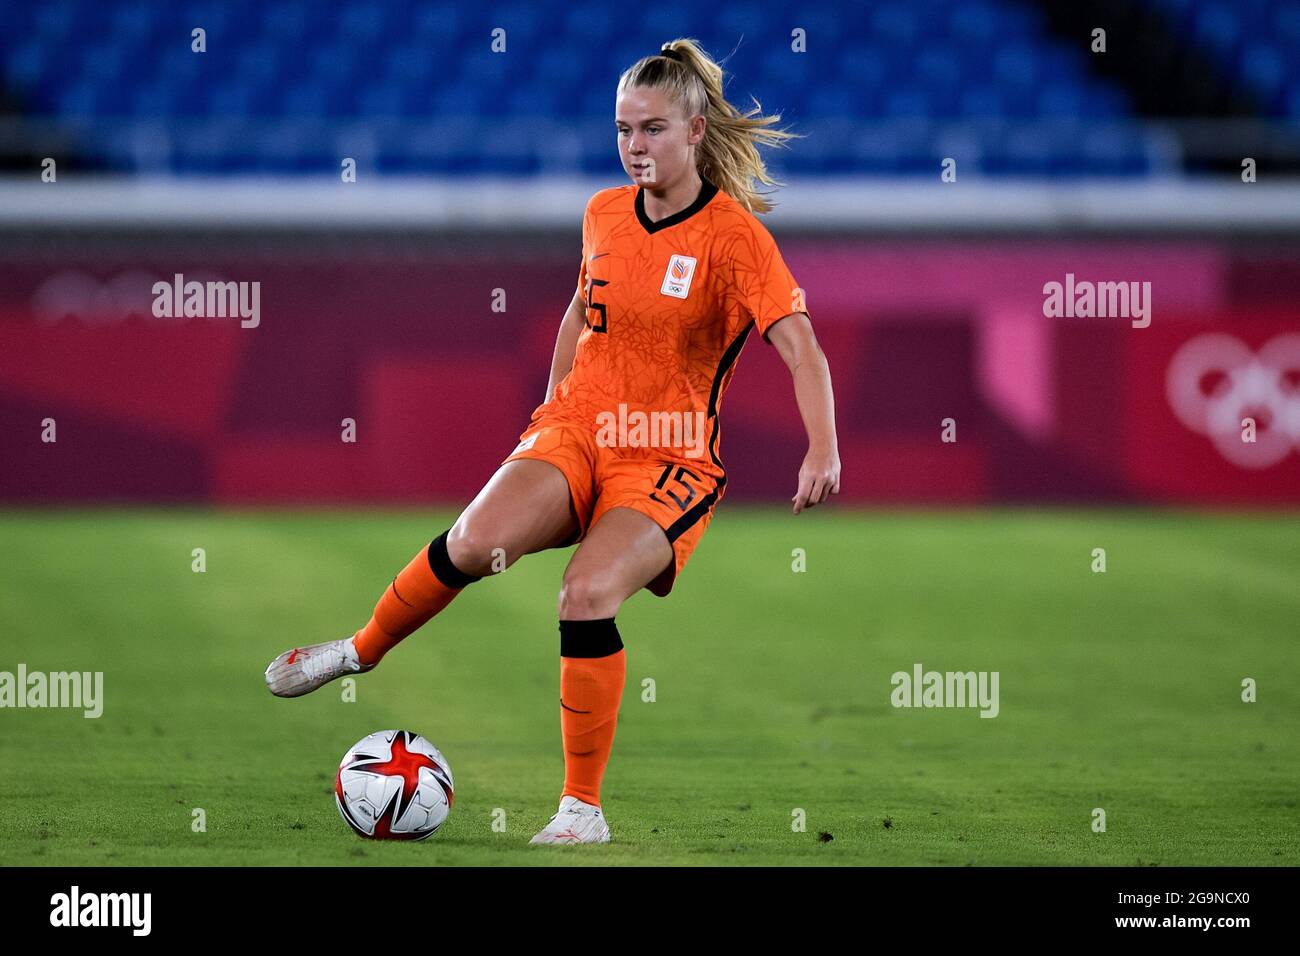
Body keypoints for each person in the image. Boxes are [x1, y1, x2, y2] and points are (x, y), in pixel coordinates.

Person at [265, 38, 840, 845]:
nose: (634, 147)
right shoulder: (603, 213)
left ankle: (581, 811)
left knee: (585, 594)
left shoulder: (735, 239)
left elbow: (800, 344)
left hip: (669, 453)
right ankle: (359, 651)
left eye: (651, 130)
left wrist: (824, 447)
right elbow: (582, 310)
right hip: (576, 429)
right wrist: (548, 416)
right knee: (472, 542)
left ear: (696, 131)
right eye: (622, 130)